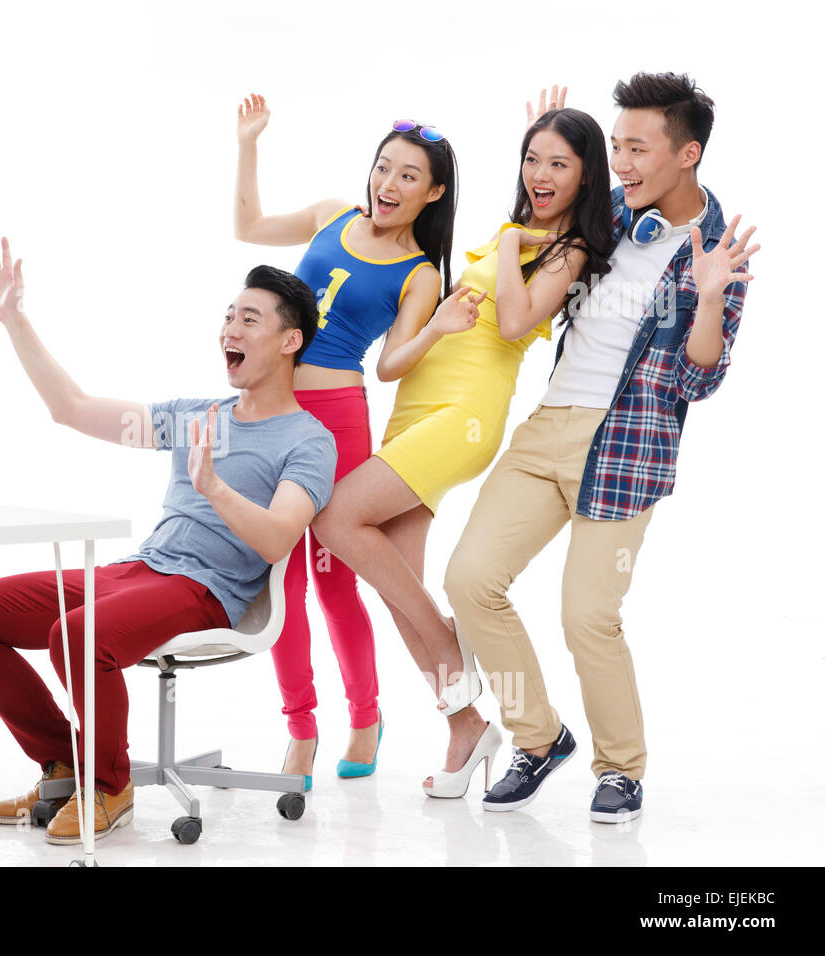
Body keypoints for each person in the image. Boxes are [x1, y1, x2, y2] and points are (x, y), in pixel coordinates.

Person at [0, 238, 337, 844]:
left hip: (207, 589)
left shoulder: (310, 441)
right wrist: (15, 320)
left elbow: (280, 538)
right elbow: (71, 408)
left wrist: (217, 490)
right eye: (228, 315)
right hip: (141, 570)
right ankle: (64, 767)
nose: (230, 327)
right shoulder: (196, 414)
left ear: (289, 341)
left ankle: (111, 786)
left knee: (76, 634)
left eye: (249, 319)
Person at [443, 73, 758, 822]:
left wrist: (709, 298)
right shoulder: (606, 215)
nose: (621, 161)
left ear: (687, 153)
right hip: (546, 427)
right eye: (614, 146)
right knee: (469, 581)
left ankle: (621, 769)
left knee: (587, 614)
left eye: (635, 148)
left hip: (624, 446)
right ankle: (538, 736)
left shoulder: (718, 249)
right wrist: (549, 152)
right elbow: (524, 263)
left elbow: (696, 377)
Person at [314, 98, 616, 798]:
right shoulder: (519, 230)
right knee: (397, 588)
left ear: (585, 177)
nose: (540, 173)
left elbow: (512, 322)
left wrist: (511, 243)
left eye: (559, 164)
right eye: (533, 158)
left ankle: (454, 646)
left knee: (337, 520)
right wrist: (512, 231)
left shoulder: (565, 250)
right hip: (414, 406)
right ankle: (470, 725)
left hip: (464, 416)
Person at [234, 93, 475, 782]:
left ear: (432, 193)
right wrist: (250, 141)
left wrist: (435, 328)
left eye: (407, 176)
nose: (387, 185)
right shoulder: (330, 216)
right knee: (276, 579)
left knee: (334, 579)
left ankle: (366, 717)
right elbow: (248, 224)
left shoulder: (420, 273)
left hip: (337, 413)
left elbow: (392, 363)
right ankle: (302, 729)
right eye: (383, 168)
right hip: (267, 409)